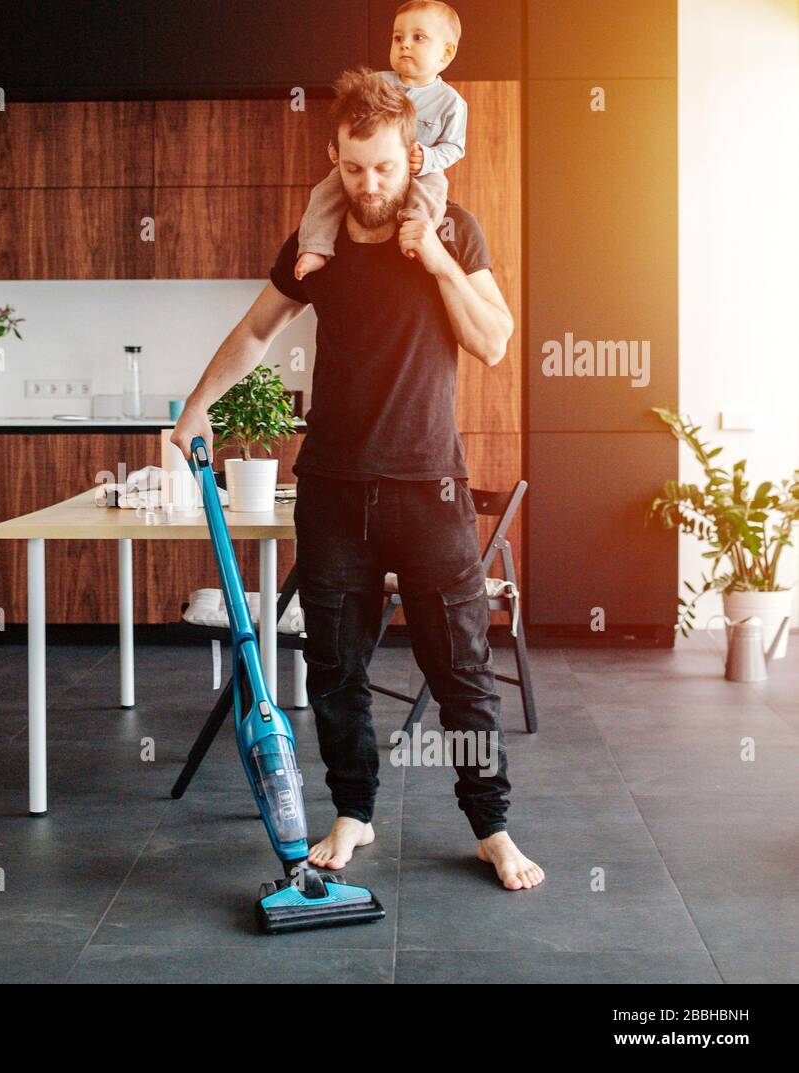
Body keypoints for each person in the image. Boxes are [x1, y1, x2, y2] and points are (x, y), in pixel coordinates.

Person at [170, 67, 544, 891]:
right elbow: (255, 332)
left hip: (429, 489)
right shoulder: (319, 242)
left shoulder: (457, 229)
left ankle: (492, 827)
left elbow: (492, 342)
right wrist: (198, 407)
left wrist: (438, 261)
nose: (369, 185)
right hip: (335, 488)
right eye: (351, 168)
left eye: (383, 166)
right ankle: (353, 810)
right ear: (333, 156)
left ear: (413, 155)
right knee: (335, 665)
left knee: (462, 672)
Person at [295, 0, 467, 281]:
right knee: (325, 191)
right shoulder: (375, 83)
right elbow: (346, 119)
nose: (405, 45)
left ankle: (414, 233)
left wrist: (429, 158)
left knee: (434, 189)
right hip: (370, 163)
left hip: (418, 170)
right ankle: (315, 246)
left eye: (418, 37)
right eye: (398, 38)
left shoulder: (452, 103)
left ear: (446, 53)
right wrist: (339, 148)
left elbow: (455, 147)